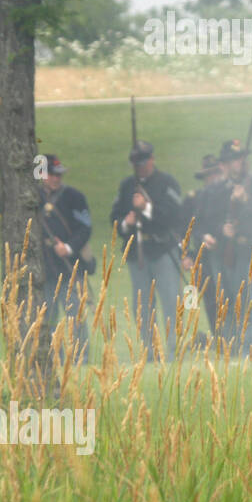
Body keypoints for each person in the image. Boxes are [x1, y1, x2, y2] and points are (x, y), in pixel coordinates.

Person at [0, 154, 93, 364]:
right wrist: (18, 185)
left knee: (76, 316)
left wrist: (68, 247)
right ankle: (52, 359)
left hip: (69, 267)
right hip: (43, 268)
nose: (56, 178)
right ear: (41, 175)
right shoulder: (31, 195)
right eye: (51, 174)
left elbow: (85, 227)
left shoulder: (74, 196)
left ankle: (80, 357)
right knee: (46, 318)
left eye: (58, 175)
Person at [110, 140, 185, 360]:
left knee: (171, 300)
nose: (141, 166)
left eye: (144, 161)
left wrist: (147, 208)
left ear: (152, 159)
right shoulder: (126, 186)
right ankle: (149, 351)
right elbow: (114, 216)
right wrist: (127, 222)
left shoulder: (167, 183)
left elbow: (174, 215)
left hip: (162, 250)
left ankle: (173, 350)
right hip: (137, 253)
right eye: (137, 162)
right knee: (142, 305)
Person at [200, 139, 252, 351]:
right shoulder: (214, 191)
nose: (239, 163)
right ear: (223, 165)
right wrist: (219, 231)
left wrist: (245, 201)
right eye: (233, 160)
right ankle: (234, 350)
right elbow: (206, 221)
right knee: (231, 305)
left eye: (241, 158)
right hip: (230, 256)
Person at [182, 153, 224, 340]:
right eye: (209, 175)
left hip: (226, 253)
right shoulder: (194, 199)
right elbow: (184, 228)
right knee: (209, 298)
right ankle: (218, 335)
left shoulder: (228, 193)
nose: (213, 178)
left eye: (216, 174)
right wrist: (186, 254)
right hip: (203, 255)